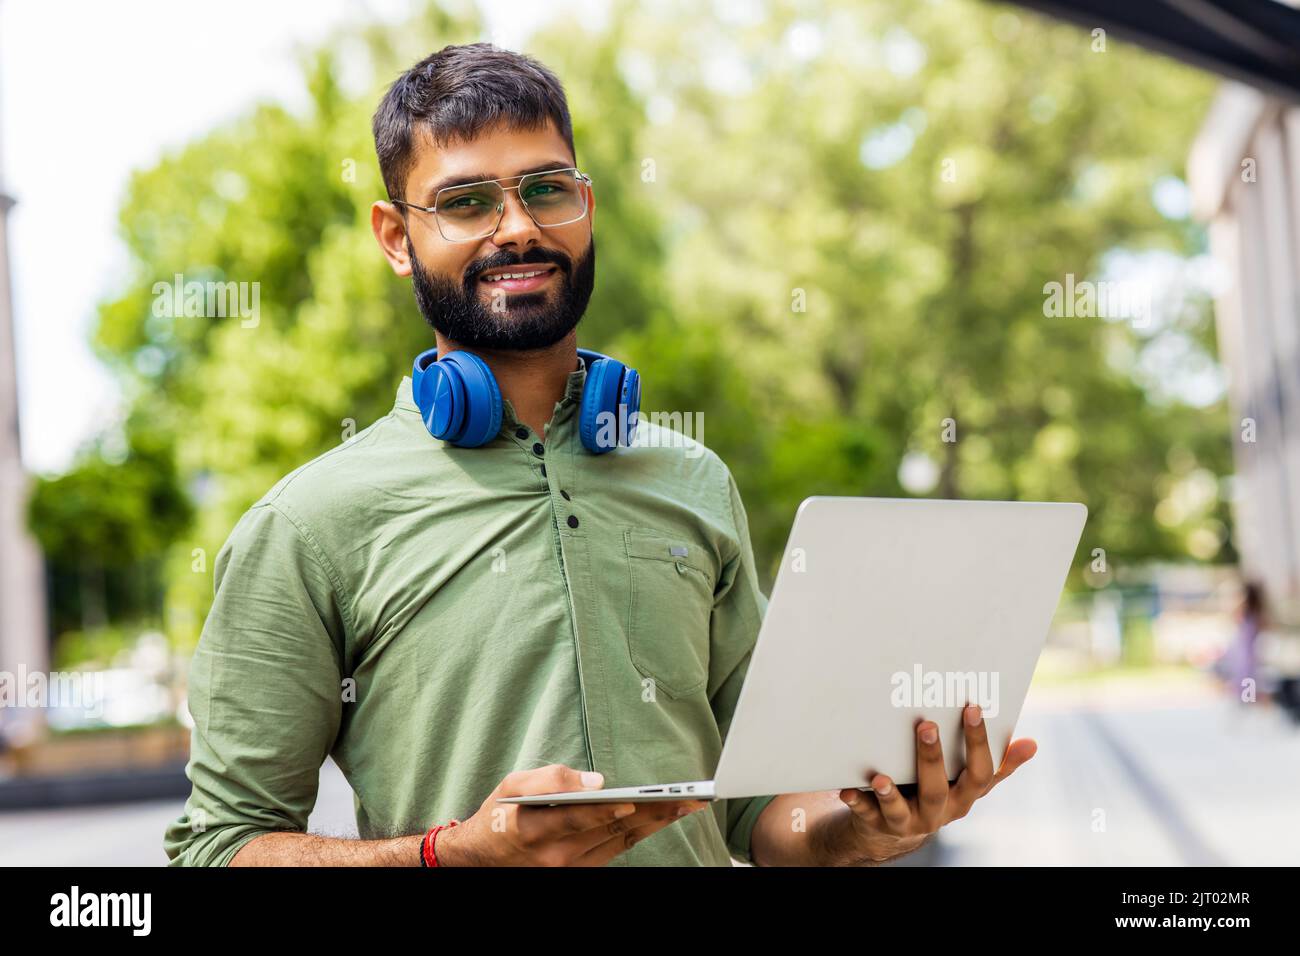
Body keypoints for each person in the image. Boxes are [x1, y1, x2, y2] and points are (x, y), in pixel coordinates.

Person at [163, 43, 1036, 867]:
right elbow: (220, 847)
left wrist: (869, 828)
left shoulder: (695, 480)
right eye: (467, 202)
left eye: (545, 189)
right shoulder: (308, 524)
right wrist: (451, 854)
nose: (516, 228)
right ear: (397, 237)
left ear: (586, 203)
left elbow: (759, 815)